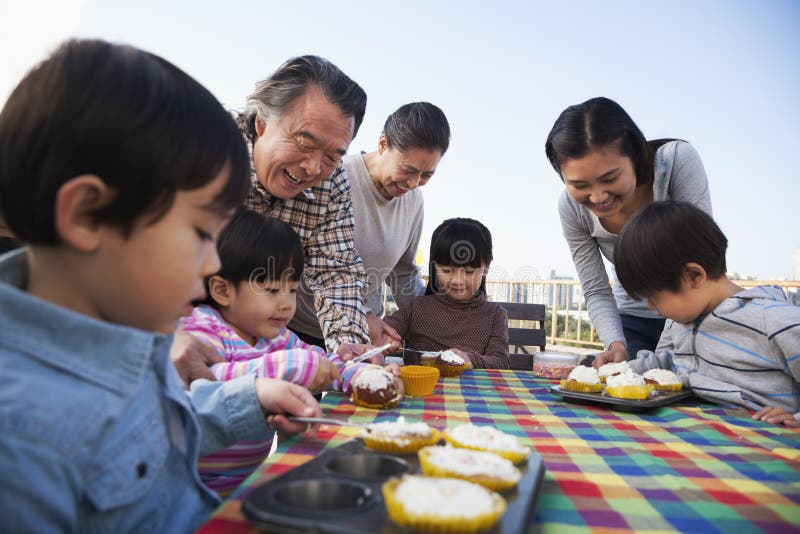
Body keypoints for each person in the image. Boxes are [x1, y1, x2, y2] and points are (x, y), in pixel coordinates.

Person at [0, 39, 321, 532]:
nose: (213, 263)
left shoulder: (129, 331)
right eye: (200, 233)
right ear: (88, 215)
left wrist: (250, 398)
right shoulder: (21, 438)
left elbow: (159, 428)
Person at [178, 209, 399, 496]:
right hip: (191, 488)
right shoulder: (203, 328)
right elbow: (205, 381)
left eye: (292, 290)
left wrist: (366, 375)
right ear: (222, 290)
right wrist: (288, 365)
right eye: (271, 290)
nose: (285, 304)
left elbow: (323, 363)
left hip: (248, 482)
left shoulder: (278, 337)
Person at [597, 200, 800, 427]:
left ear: (694, 276)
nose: (652, 307)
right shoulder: (678, 322)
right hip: (701, 432)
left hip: (766, 438)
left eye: (654, 297)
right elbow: (668, 365)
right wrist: (616, 372)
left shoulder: (773, 320)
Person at [545, 97, 712, 363]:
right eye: (580, 185)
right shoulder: (571, 208)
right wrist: (615, 344)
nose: (598, 197)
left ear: (635, 155)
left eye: (610, 179)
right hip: (631, 321)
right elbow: (597, 290)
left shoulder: (675, 162)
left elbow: (700, 256)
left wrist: (662, 353)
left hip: (694, 314)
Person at [239, 55, 375, 354]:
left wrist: (349, 345)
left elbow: (336, 272)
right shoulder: (209, 150)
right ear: (261, 123)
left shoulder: (333, 182)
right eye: (304, 142)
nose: (314, 168)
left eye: (331, 156)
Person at [345, 102, 451, 347]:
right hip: (302, 331)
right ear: (383, 144)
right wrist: (360, 314)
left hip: (364, 336)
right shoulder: (339, 176)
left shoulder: (413, 200)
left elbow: (403, 274)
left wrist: (433, 324)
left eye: (426, 175)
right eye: (408, 170)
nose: (414, 183)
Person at [384, 218, 510, 369]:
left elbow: (501, 362)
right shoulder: (417, 308)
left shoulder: (495, 315)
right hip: (423, 390)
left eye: (468, 272)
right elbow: (387, 328)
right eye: (446, 271)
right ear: (434, 266)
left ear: (486, 267)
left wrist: (470, 359)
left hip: (474, 390)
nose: (457, 280)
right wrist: (387, 338)